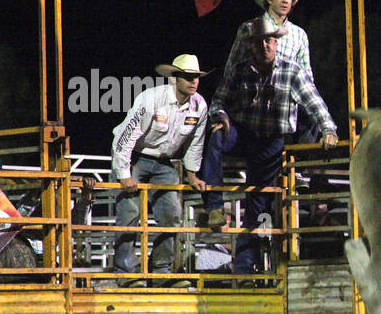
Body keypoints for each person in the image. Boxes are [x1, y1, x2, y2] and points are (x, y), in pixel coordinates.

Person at [204, 16, 338, 275]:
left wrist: (328, 128)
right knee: (217, 136)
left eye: (269, 40)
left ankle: (243, 267)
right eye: (259, 42)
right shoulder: (239, 70)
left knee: (257, 204)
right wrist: (219, 115)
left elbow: (314, 102)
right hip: (244, 133)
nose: (265, 45)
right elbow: (219, 99)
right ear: (251, 46)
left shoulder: (291, 71)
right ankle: (215, 207)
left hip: (271, 142)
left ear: (276, 43)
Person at [109, 54, 211, 287]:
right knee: (129, 213)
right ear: (175, 78)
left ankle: (161, 271)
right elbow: (126, 135)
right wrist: (124, 173)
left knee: (172, 214)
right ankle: (126, 273)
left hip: (164, 162)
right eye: (188, 77)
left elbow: (196, 141)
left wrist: (192, 173)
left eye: (196, 77)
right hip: (134, 157)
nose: (193, 81)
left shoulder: (200, 106)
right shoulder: (151, 99)